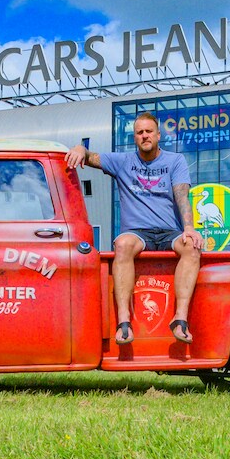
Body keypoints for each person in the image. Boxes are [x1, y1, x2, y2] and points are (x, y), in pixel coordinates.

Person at [65, 112, 202, 345]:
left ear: (158, 135)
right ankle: (124, 323)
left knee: (191, 245)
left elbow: (182, 196)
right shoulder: (123, 162)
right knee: (122, 244)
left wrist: (189, 228)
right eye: (140, 132)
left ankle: (180, 320)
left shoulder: (175, 161)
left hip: (169, 230)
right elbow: (90, 157)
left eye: (149, 131)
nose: (144, 135)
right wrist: (80, 149)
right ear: (135, 137)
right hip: (137, 232)